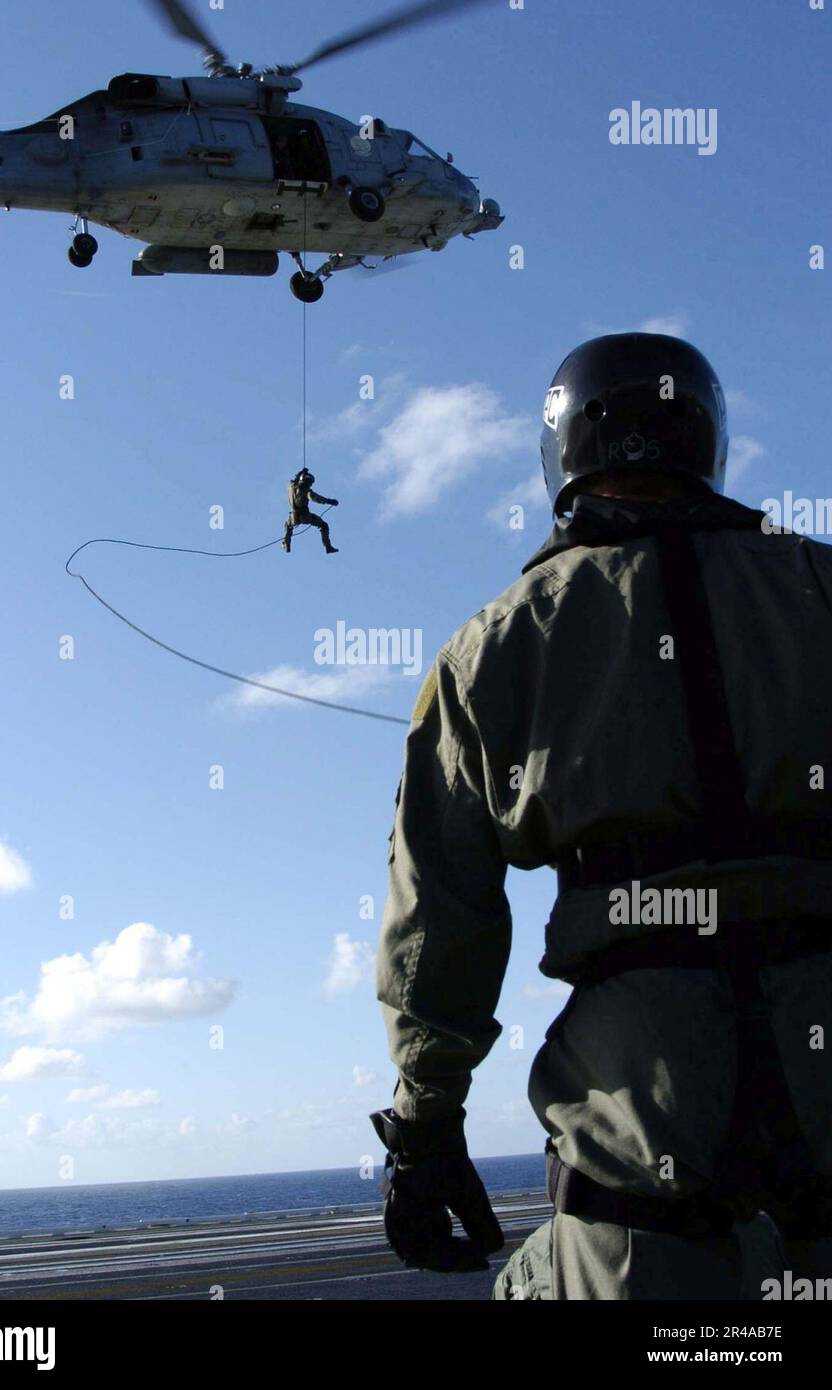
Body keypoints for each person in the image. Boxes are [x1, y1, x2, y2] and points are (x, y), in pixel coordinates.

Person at [370, 332, 832, 1299]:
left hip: (644, 1109)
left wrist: (425, 1130)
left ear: (564, 456)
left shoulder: (491, 646)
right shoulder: (818, 587)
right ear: (706, 440)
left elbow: (438, 914)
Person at [282, 468, 339, 554]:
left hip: (293, 516)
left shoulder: (291, 486)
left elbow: (294, 479)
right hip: (305, 516)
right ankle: (328, 547)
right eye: (310, 484)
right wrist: (330, 501)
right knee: (323, 525)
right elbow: (317, 498)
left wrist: (301, 472)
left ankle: (286, 544)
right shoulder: (306, 491)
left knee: (288, 525)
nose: (310, 486)